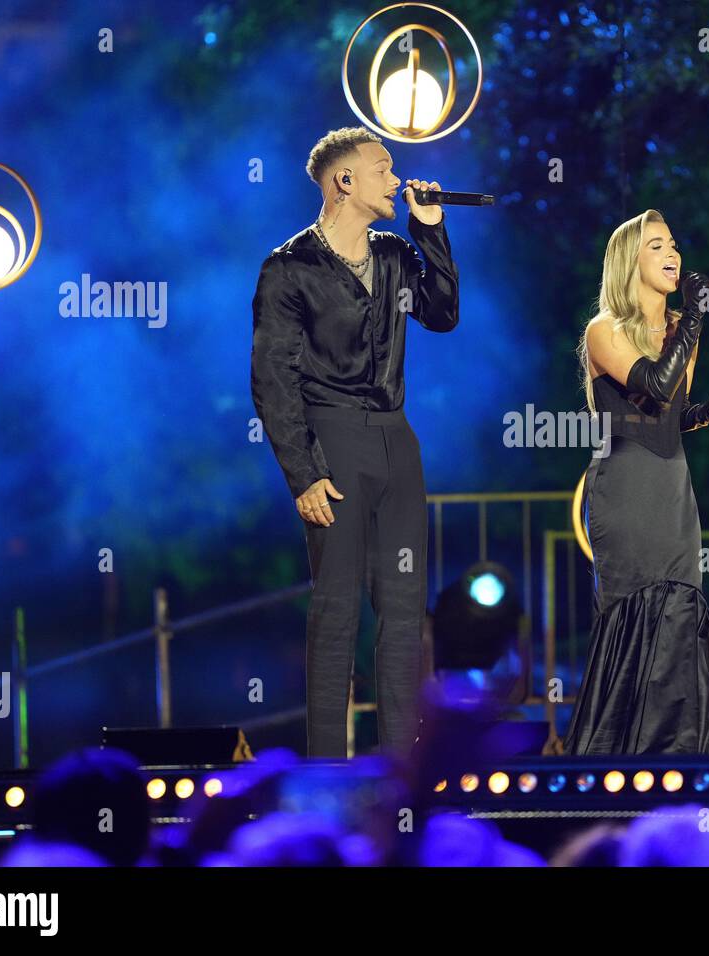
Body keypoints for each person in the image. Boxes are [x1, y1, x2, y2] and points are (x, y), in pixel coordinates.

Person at [251, 127, 459, 758]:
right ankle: (325, 767)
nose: (396, 180)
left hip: (398, 439)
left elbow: (443, 314)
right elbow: (272, 380)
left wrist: (431, 230)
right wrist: (303, 473)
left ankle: (402, 763)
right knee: (337, 607)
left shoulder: (395, 253)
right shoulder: (289, 268)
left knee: (403, 609)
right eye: (383, 169)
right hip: (333, 440)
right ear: (344, 181)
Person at [565, 209, 709, 754]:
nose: (673, 254)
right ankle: (619, 763)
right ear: (630, 262)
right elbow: (653, 385)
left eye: (673, 243)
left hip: (673, 485)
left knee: (682, 606)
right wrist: (693, 321)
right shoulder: (604, 331)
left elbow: (673, 412)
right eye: (656, 246)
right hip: (626, 487)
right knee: (637, 611)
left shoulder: (676, 330)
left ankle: (685, 757)